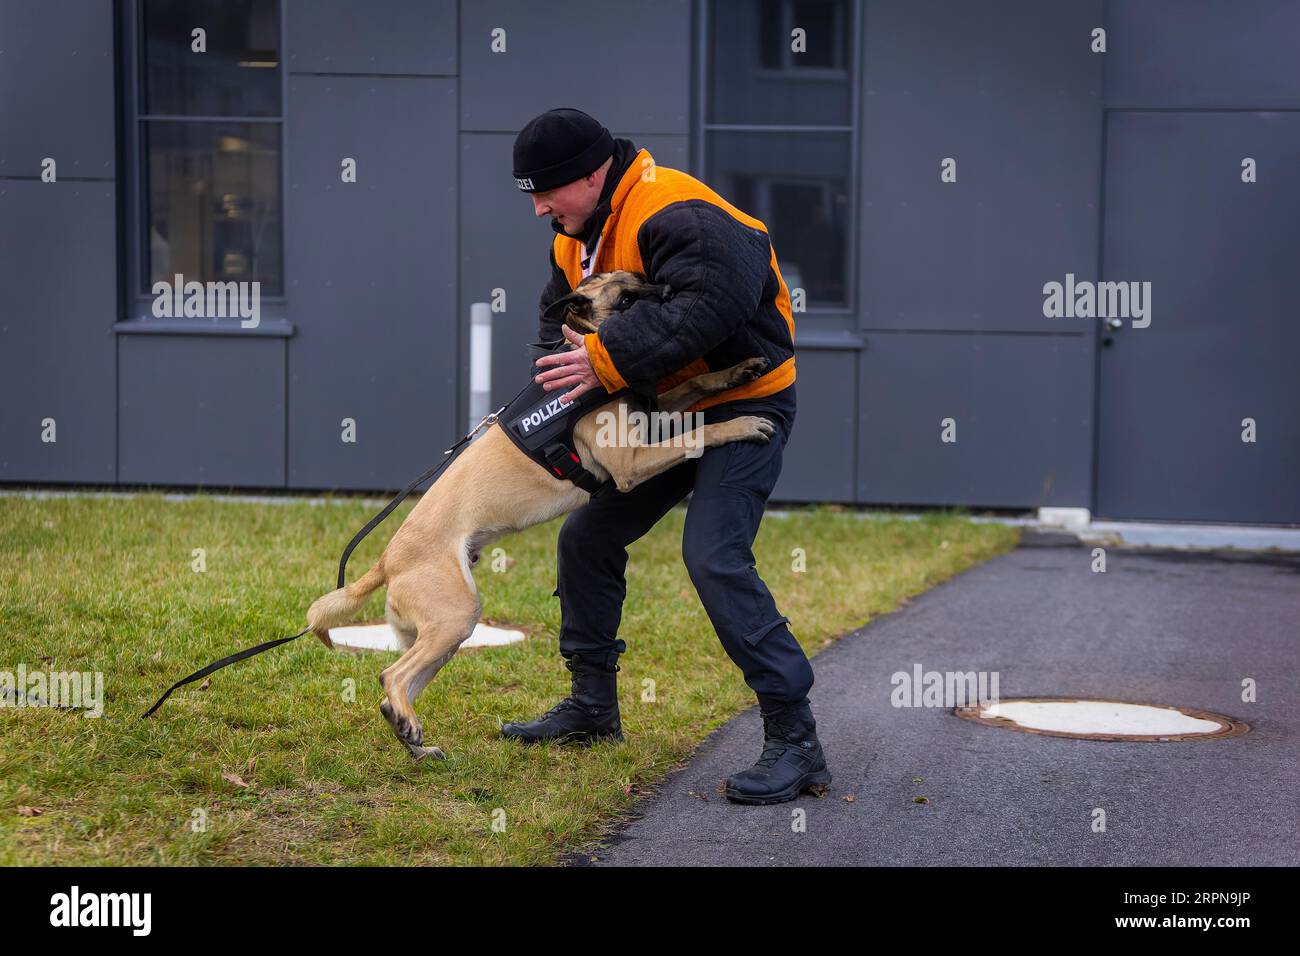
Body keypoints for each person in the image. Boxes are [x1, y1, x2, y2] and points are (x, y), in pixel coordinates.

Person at [499, 107, 831, 804]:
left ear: (593, 176)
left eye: (546, 191)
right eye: (530, 194)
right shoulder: (574, 237)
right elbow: (556, 338)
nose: (537, 209)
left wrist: (602, 358)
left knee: (712, 555)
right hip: (660, 407)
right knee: (586, 538)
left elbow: (712, 305)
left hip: (748, 403)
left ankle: (796, 741)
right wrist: (555, 404)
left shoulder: (674, 208)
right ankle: (592, 711)